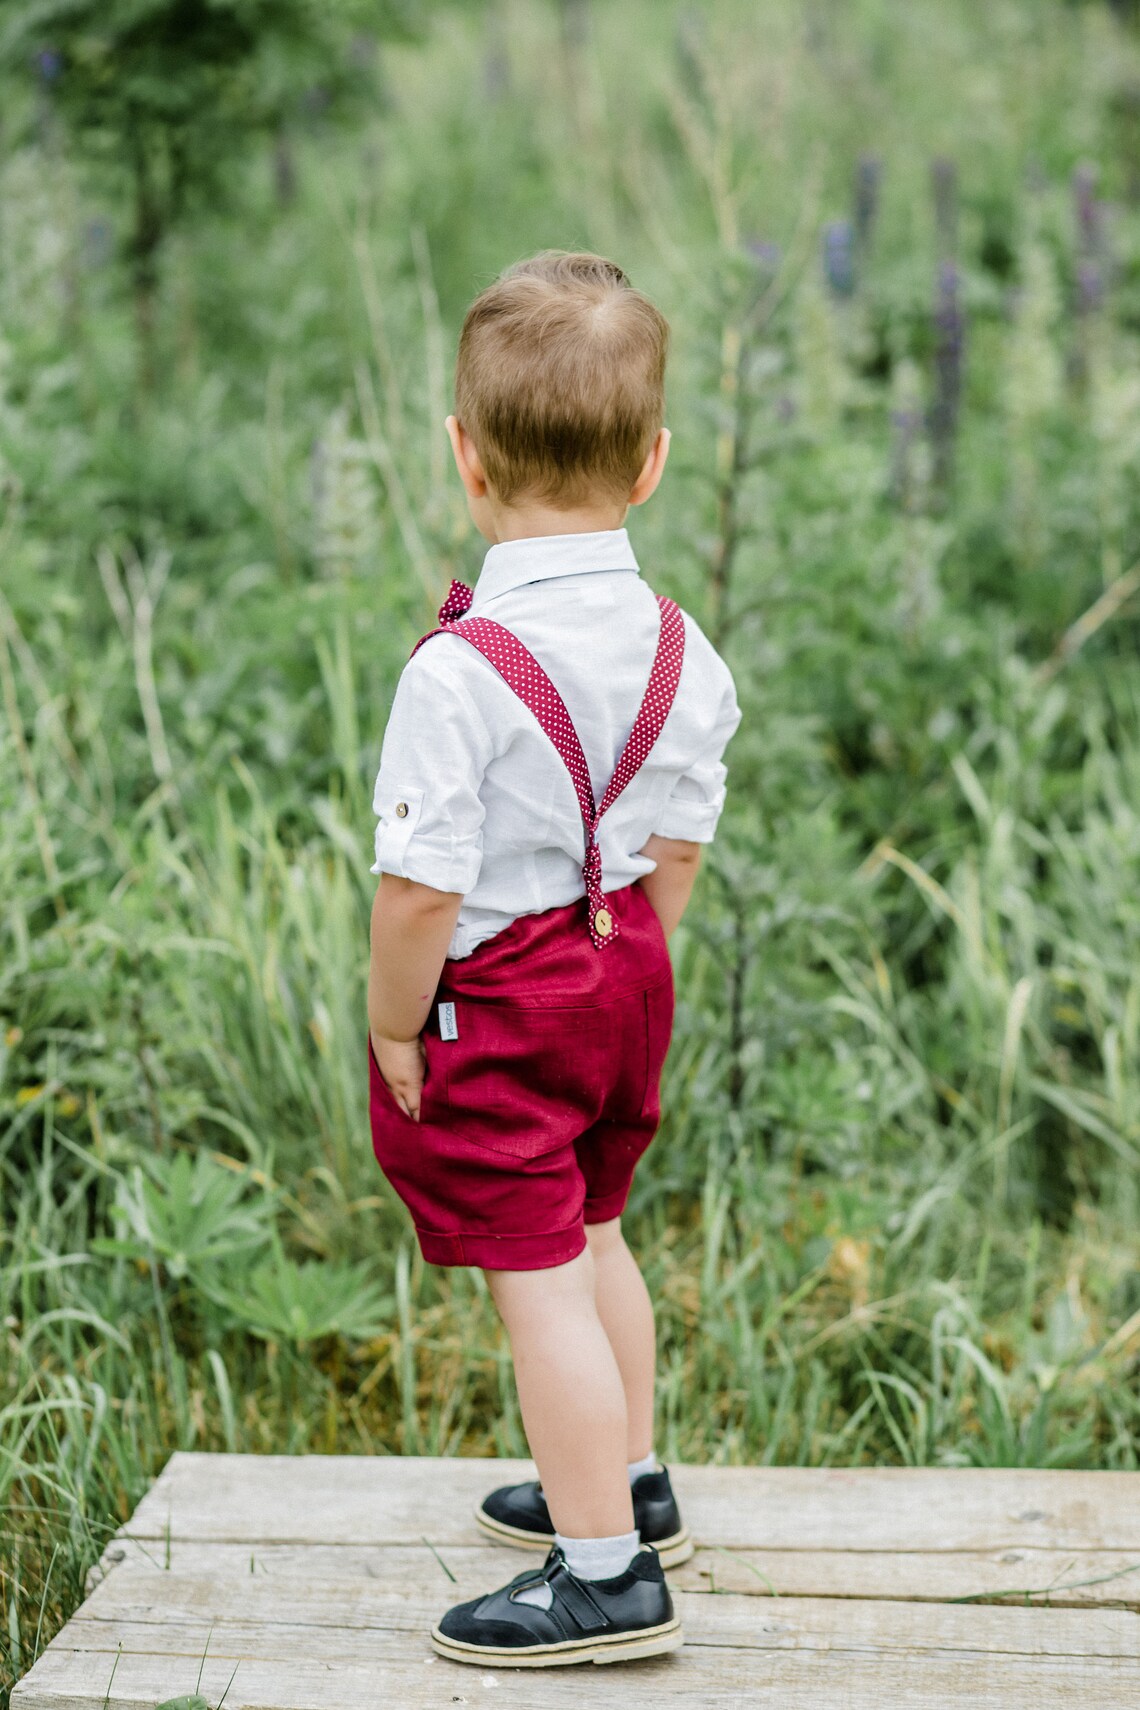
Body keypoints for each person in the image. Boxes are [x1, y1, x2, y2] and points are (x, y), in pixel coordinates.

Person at [366, 250, 741, 1667]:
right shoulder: (684, 647)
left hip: (509, 996)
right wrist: (631, 964)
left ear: (465, 458)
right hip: (627, 957)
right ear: (651, 464)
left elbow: (421, 891)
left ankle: (603, 1576)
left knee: (538, 1281)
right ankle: (632, 1484)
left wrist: (395, 1024)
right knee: (594, 1229)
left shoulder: (458, 672)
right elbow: (681, 843)